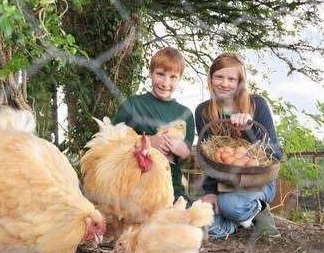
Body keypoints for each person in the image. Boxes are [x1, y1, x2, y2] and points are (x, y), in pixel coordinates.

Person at [195, 52, 283, 239]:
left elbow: (275, 154)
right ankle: (236, 223)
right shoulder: (203, 111)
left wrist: (248, 129)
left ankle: (259, 209)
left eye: (231, 79)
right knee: (202, 223)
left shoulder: (257, 104)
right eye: (219, 77)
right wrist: (210, 193)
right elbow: (208, 158)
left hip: (259, 182)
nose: (224, 84)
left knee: (229, 205)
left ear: (240, 82)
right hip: (224, 184)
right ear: (211, 79)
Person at [113, 47, 195, 200]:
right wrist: (148, 142)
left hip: (172, 190)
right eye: (160, 74)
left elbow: (186, 158)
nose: (165, 83)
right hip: (134, 189)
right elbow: (112, 145)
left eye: (173, 77)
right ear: (150, 72)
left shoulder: (186, 114)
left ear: (180, 78)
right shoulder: (132, 105)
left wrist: (182, 150)